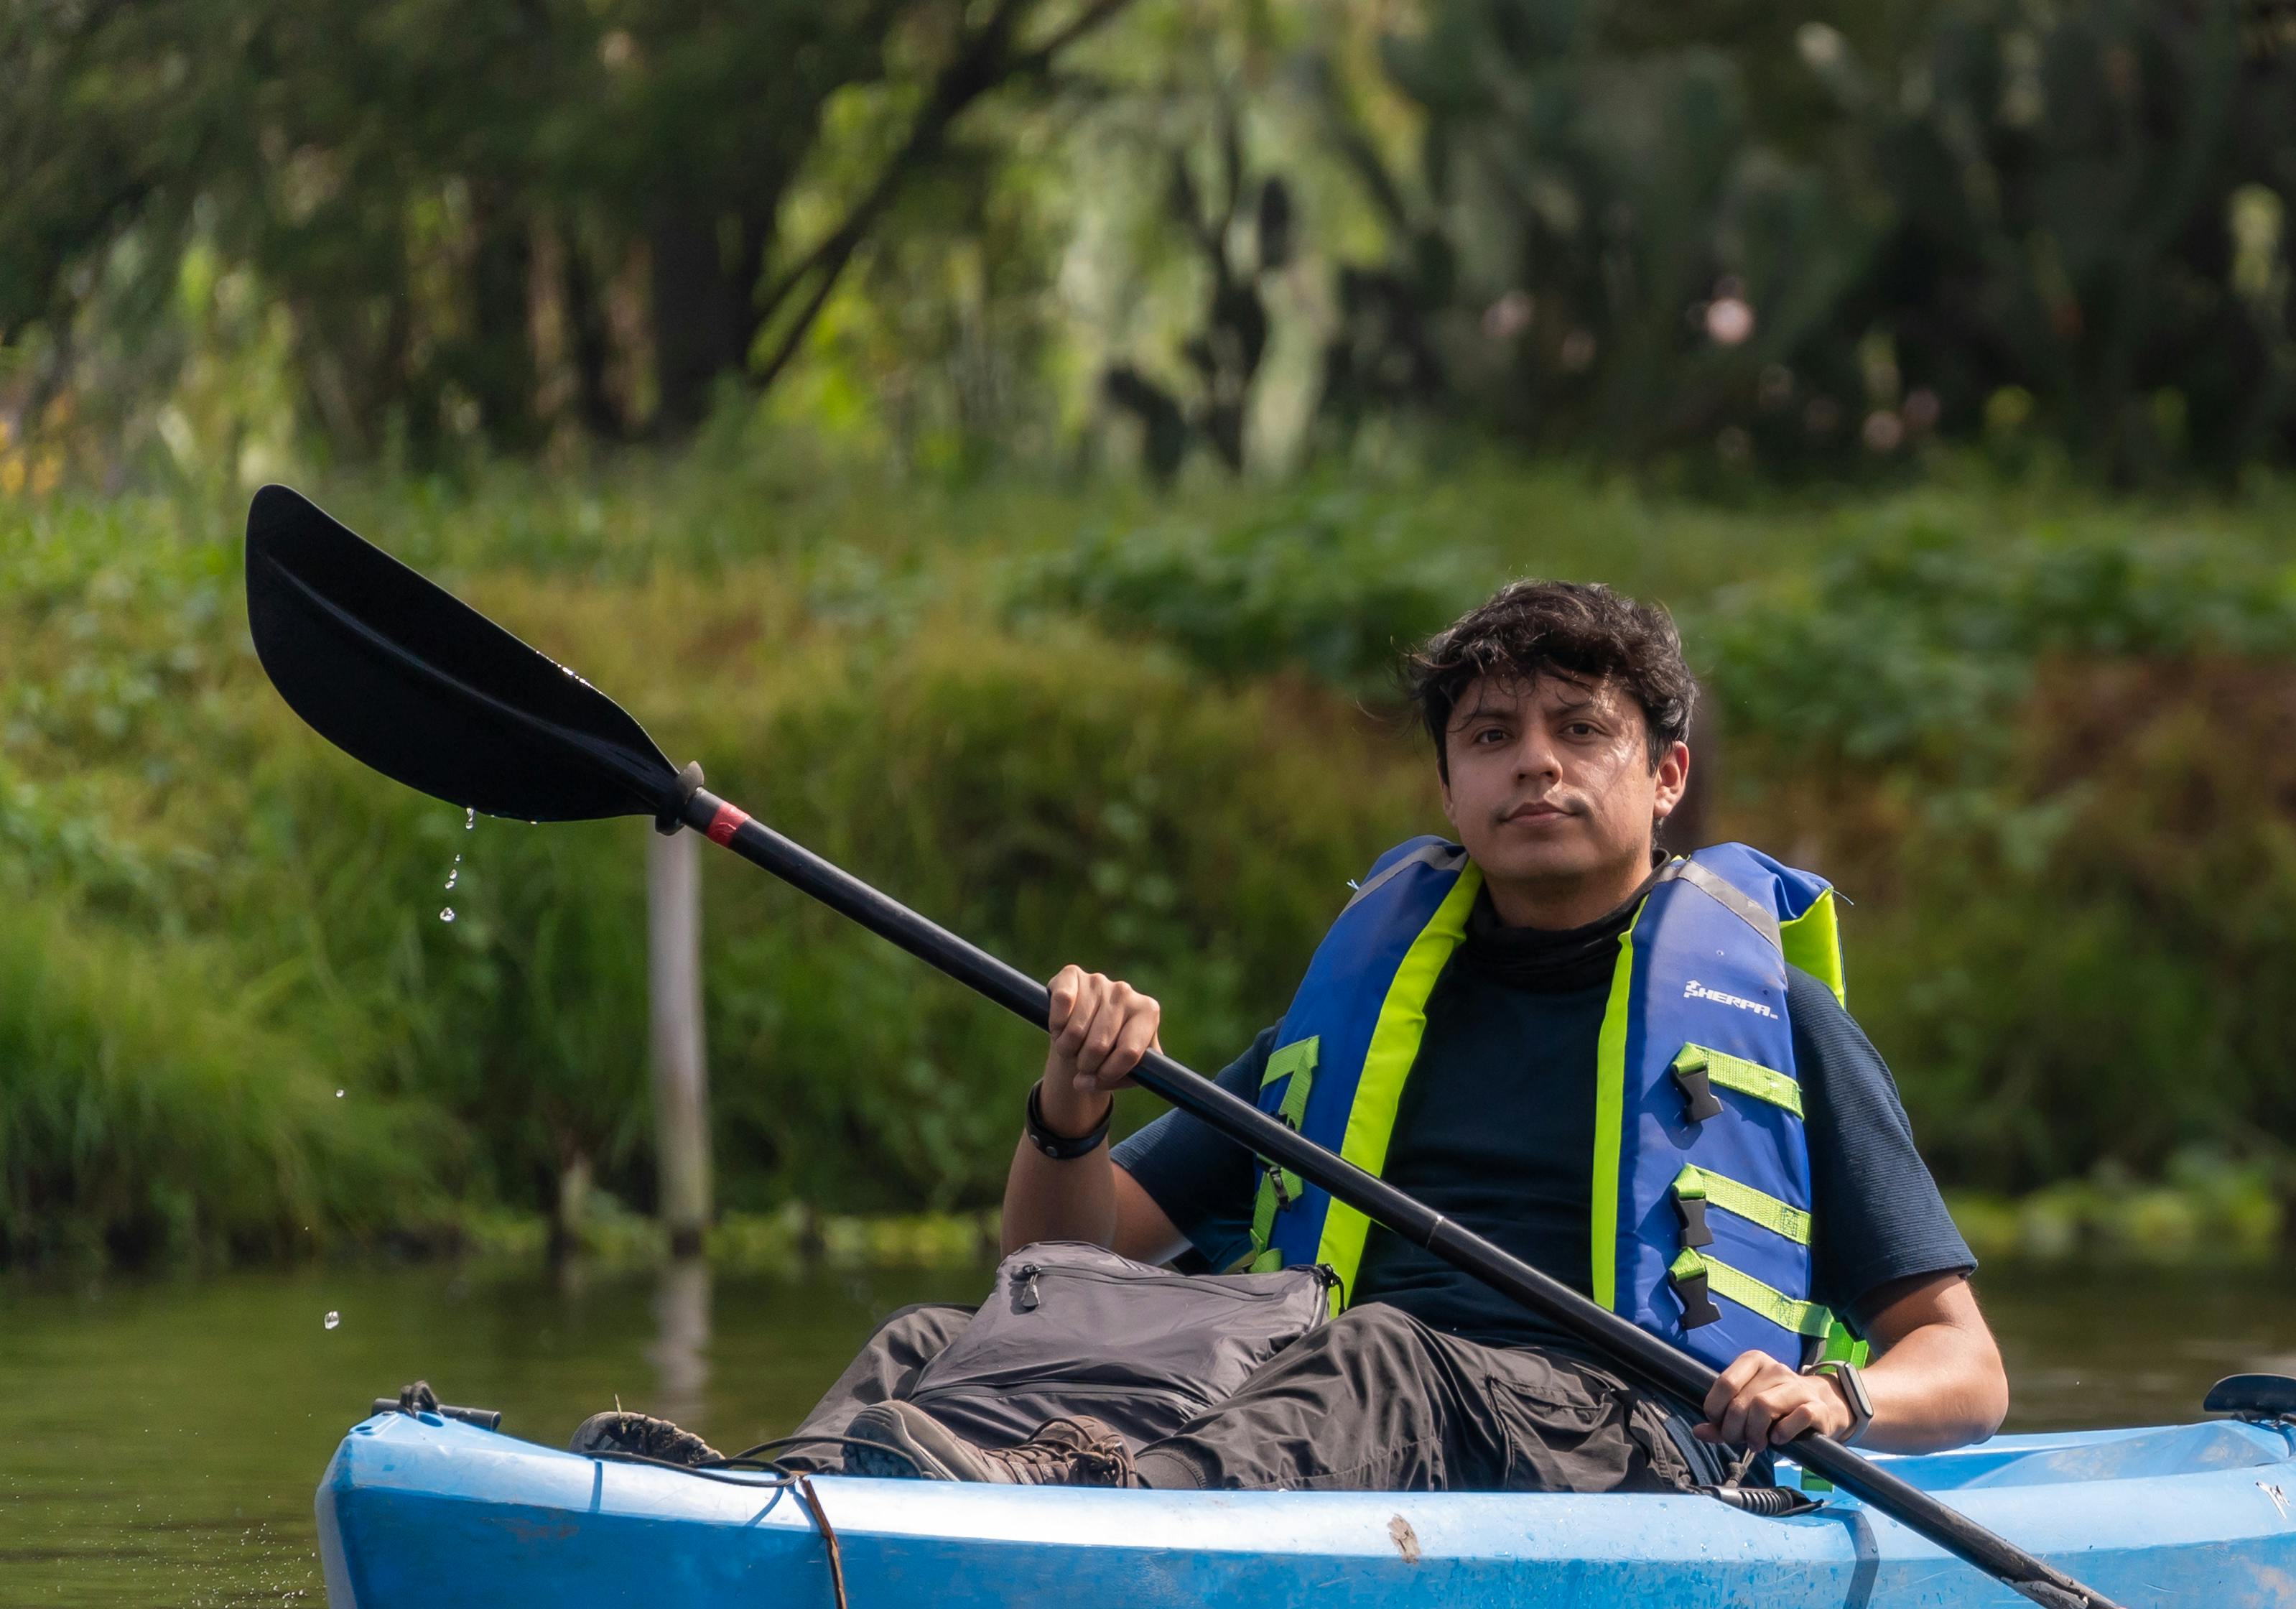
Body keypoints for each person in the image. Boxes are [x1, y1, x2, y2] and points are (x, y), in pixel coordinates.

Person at [575, 579, 2004, 1492]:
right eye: (1495, 736)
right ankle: (781, 1506)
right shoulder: (1365, 1006)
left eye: (1584, 732)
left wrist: (1833, 1393)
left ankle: (1078, 1523)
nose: (1539, 764)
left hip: (1626, 1441)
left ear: (1666, 774)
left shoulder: (1780, 1023)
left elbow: (1964, 1364)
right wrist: (1067, 1114)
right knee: (934, 1335)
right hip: (1309, 1414)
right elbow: (1060, 1261)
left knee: (1383, 1350)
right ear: (1450, 783)